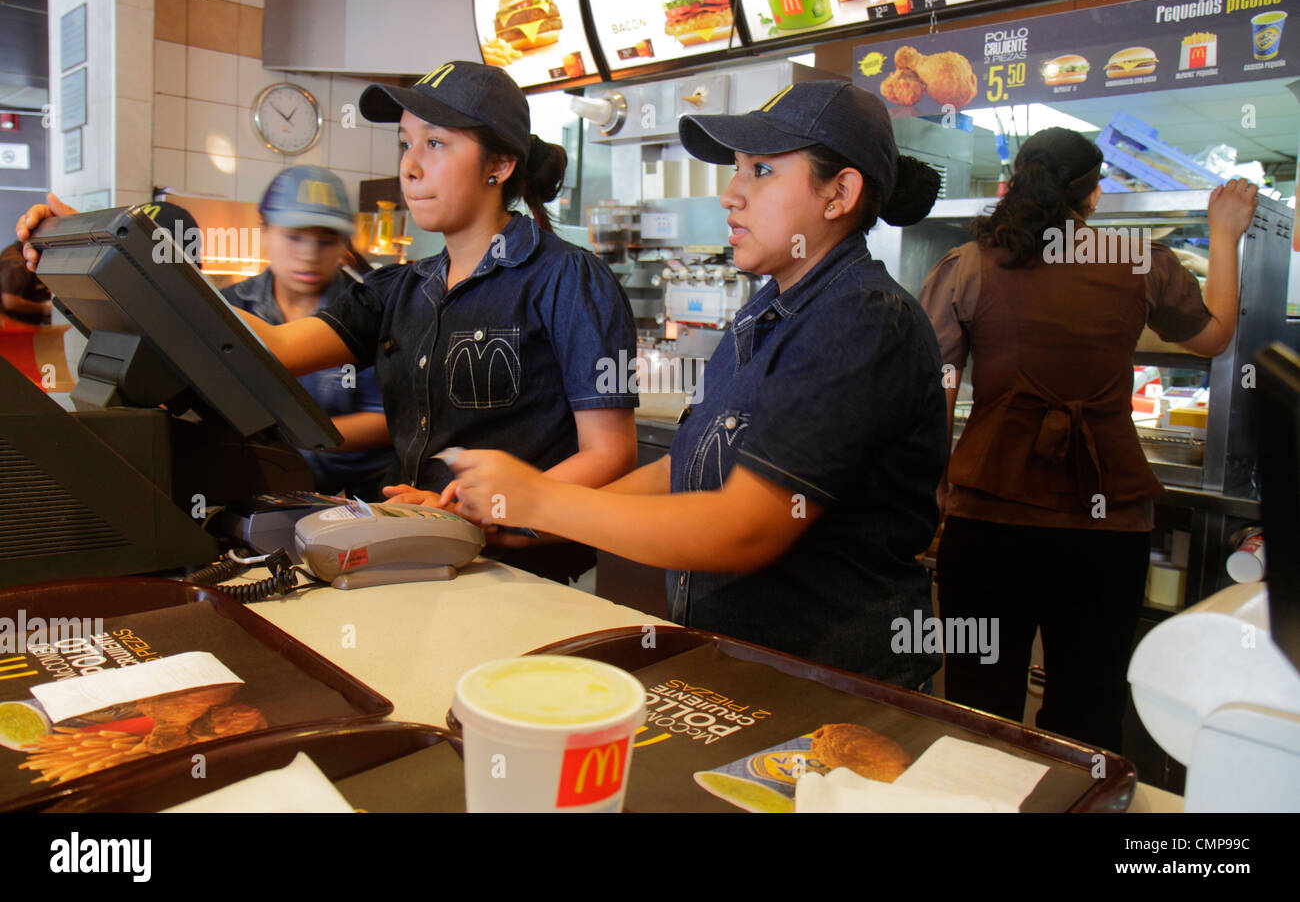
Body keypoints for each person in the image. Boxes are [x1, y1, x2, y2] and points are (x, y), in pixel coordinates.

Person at [18, 62, 639, 585]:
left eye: (437, 144)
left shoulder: (566, 279)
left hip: (520, 574)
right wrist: (118, 253)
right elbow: (271, 348)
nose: (411, 166)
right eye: (406, 143)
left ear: (499, 165)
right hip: (410, 557)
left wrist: (486, 512)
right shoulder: (400, 288)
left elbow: (609, 453)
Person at [431, 80, 947, 687]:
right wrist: (517, 516)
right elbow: (689, 467)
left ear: (839, 193)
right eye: (736, 170)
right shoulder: (770, 309)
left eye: (760, 171)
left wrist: (540, 499)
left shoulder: (860, 317)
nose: (731, 194)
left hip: (832, 682)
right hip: (747, 664)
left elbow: (745, 527)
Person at [917, 127, 1258, 751]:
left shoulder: (965, 266)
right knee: (1087, 708)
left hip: (988, 518)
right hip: (1106, 524)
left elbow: (931, 396)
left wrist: (936, 495)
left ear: (1011, 186)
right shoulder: (1139, 260)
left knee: (976, 703)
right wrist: (1224, 233)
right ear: (1093, 197)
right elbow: (1214, 337)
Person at [220, 165, 395, 499]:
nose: (309, 255)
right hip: (262, 489)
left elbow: (385, 421)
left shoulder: (369, 312)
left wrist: (278, 440)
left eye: (326, 241)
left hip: (361, 495)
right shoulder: (232, 308)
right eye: (294, 237)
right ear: (265, 231)